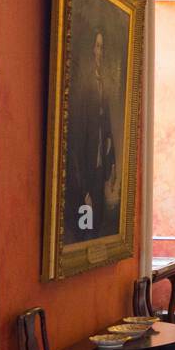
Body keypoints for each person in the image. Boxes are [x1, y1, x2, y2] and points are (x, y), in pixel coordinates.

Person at [67, 29, 121, 239]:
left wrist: (111, 156)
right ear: (90, 50)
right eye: (97, 47)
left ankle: (91, 231)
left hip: (99, 156)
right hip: (86, 155)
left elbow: (106, 121)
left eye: (102, 47)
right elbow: (79, 130)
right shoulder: (85, 83)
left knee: (96, 215)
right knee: (86, 211)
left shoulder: (102, 82)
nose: (99, 52)